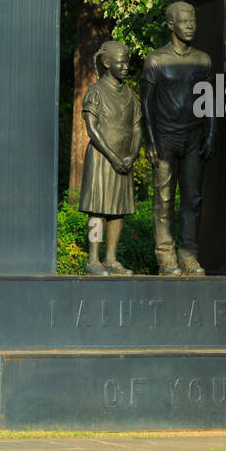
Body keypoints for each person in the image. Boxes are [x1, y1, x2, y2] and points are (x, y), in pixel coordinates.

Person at [141, 0, 215, 275]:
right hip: (164, 138)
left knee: (192, 199)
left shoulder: (203, 60)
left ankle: (188, 255)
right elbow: (145, 103)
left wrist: (211, 135)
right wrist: (150, 140)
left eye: (193, 20)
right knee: (163, 200)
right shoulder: (156, 59)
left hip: (195, 137)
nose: (191, 26)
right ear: (170, 25)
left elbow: (211, 101)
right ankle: (165, 257)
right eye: (185, 21)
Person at [79, 40, 142, 275]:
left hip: (124, 160)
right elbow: (92, 129)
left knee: (118, 210)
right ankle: (93, 260)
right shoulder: (95, 91)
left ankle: (111, 259)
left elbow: (137, 128)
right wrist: (113, 156)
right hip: (101, 158)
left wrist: (132, 155)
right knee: (98, 210)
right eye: (120, 62)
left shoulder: (130, 94)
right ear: (106, 63)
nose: (125, 66)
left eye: (127, 62)